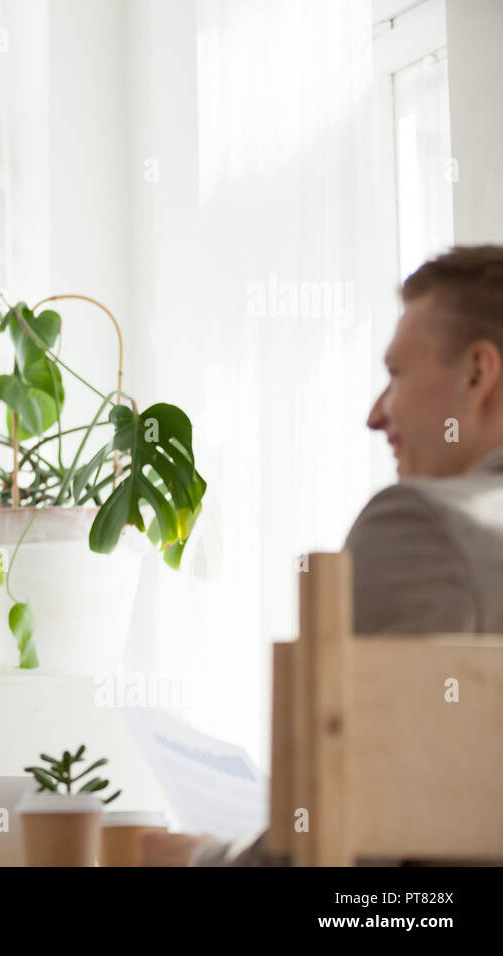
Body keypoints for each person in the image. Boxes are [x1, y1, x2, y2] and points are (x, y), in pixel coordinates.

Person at [142, 244, 503, 866]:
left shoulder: (425, 527)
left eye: (396, 374)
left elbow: (354, 857)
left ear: (478, 373)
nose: (374, 415)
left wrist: (202, 862)